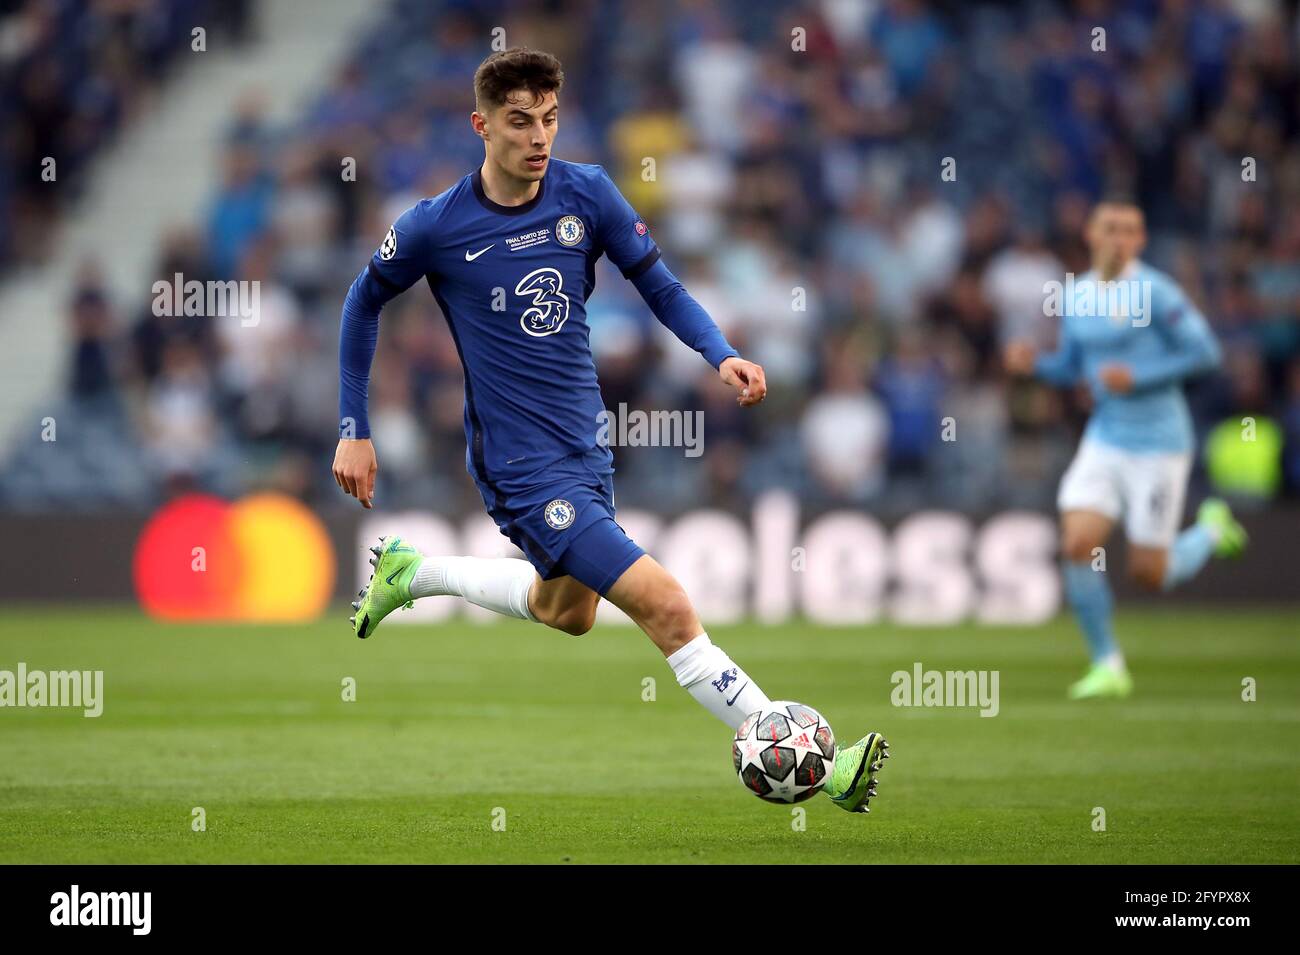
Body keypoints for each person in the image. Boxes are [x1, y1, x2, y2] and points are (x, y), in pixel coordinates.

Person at [332, 48, 888, 809]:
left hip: (586, 446)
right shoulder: (436, 226)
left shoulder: (585, 193)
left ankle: (412, 572)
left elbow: (657, 282)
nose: (538, 137)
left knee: (570, 612)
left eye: (550, 119)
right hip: (521, 464)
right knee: (666, 604)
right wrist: (353, 426)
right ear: (482, 125)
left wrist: (719, 354)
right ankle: (820, 768)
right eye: (520, 122)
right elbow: (361, 304)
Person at [1005, 201, 1247, 699]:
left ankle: (1209, 530)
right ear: (1092, 235)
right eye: (1110, 229)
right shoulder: (1076, 297)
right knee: (1076, 544)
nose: (1120, 238)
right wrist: (1036, 365)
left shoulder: (1157, 292)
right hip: (1105, 437)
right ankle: (1108, 665)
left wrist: (1139, 377)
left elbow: (1205, 352)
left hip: (1160, 444)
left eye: (1130, 231)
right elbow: (1076, 368)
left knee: (1149, 573)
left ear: (1139, 242)